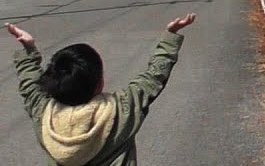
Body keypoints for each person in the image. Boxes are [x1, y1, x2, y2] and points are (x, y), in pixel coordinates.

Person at [6, 14, 197, 166]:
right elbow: (154, 76)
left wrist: (29, 50)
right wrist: (170, 36)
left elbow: (29, 84)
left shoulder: (43, 112)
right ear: (99, 83)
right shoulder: (121, 110)